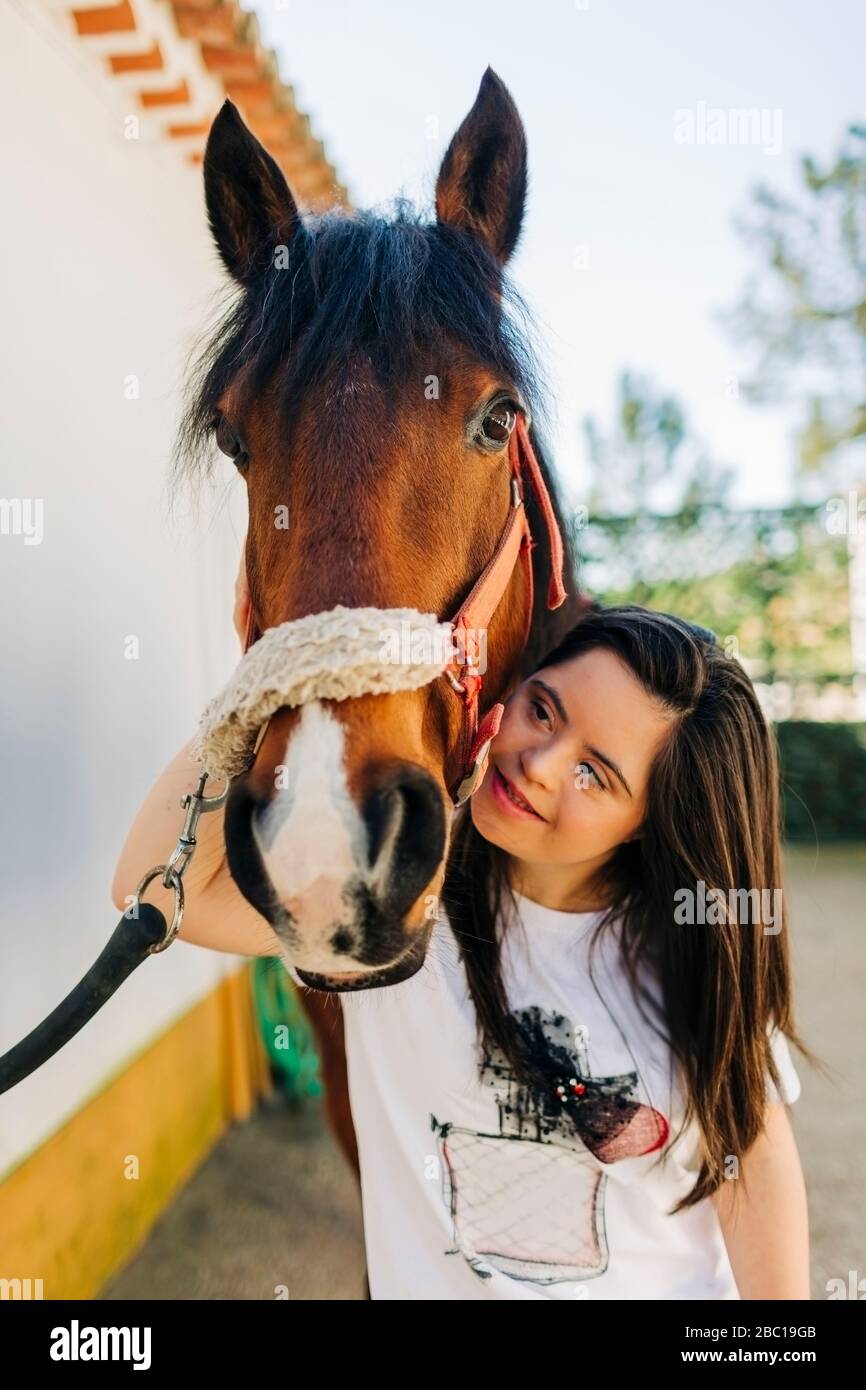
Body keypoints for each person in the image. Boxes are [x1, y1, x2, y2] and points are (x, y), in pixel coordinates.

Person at [112, 592, 814, 1301]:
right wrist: (263, 681)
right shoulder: (397, 895)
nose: (540, 762)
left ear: (647, 821)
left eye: (593, 773)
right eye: (543, 710)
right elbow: (158, 890)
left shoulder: (688, 953)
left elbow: (750, 1167)